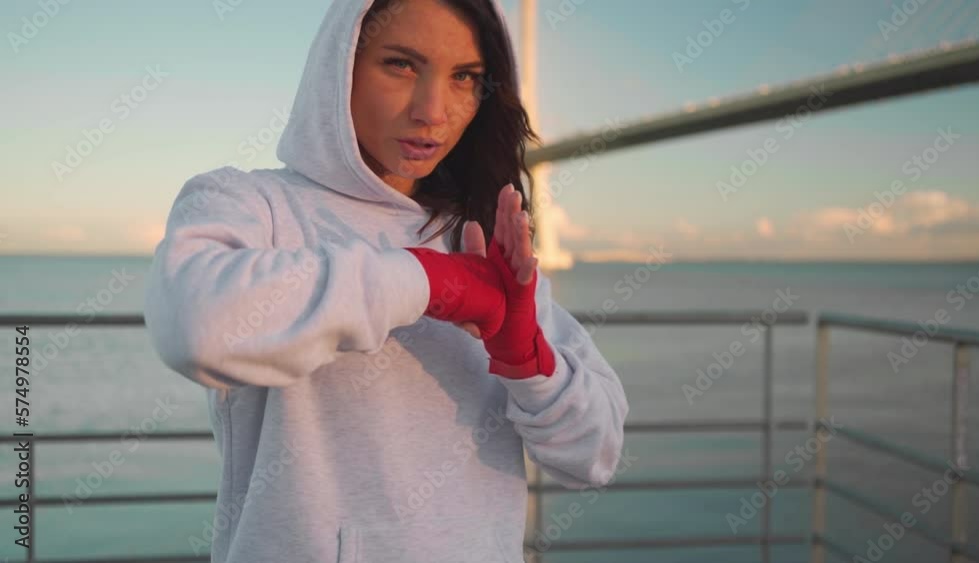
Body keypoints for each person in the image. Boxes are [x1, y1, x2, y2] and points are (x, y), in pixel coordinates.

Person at [143, 0, 628, 561]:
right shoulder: (254, 203)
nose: (432, 111)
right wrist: (426, 279)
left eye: (464, 77)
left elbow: (594, 455)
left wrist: (526, 358)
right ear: (340, 64)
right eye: (401, 64)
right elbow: (194, 326)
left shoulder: (484, 237)